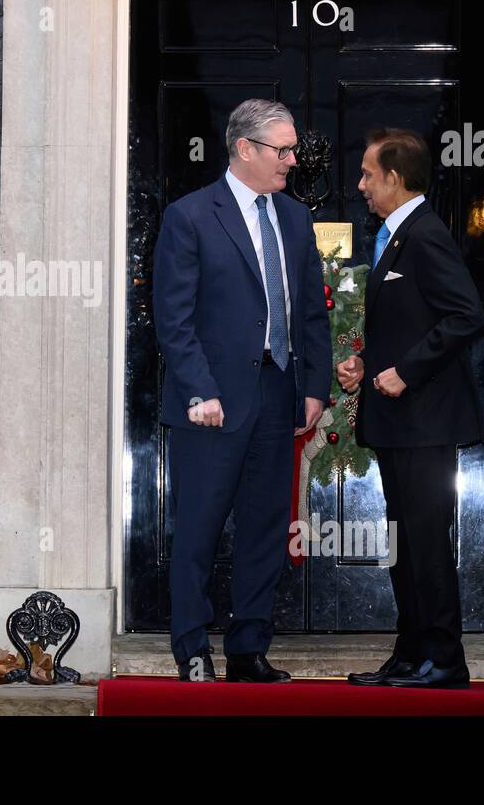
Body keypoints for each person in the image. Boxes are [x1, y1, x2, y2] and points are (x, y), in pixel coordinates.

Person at [153, 99, 331, 683]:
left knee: (262, 528)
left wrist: (313, 387)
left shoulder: (297, 219)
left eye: (293, 148)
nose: (292, 159)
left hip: (279, 397)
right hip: (212, 405)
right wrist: (198, 391)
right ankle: (192, 649)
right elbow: (173, 318)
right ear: (245, 149)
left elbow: (310, 312)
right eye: (282, 149)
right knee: (200, 528)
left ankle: (250, 649)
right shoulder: (190, 216)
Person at [337, 127, 484, 689]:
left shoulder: (424, 235)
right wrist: (367, 363)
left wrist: (406, 370)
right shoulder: (397, 237)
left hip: (427, 421)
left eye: (369, 175)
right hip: (400, 421)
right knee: (404, 545)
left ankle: (446, 660)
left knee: (425, 543)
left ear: (396, 179)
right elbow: (411, 321)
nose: (361, 186)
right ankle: (410, 653)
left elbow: (465, 315)